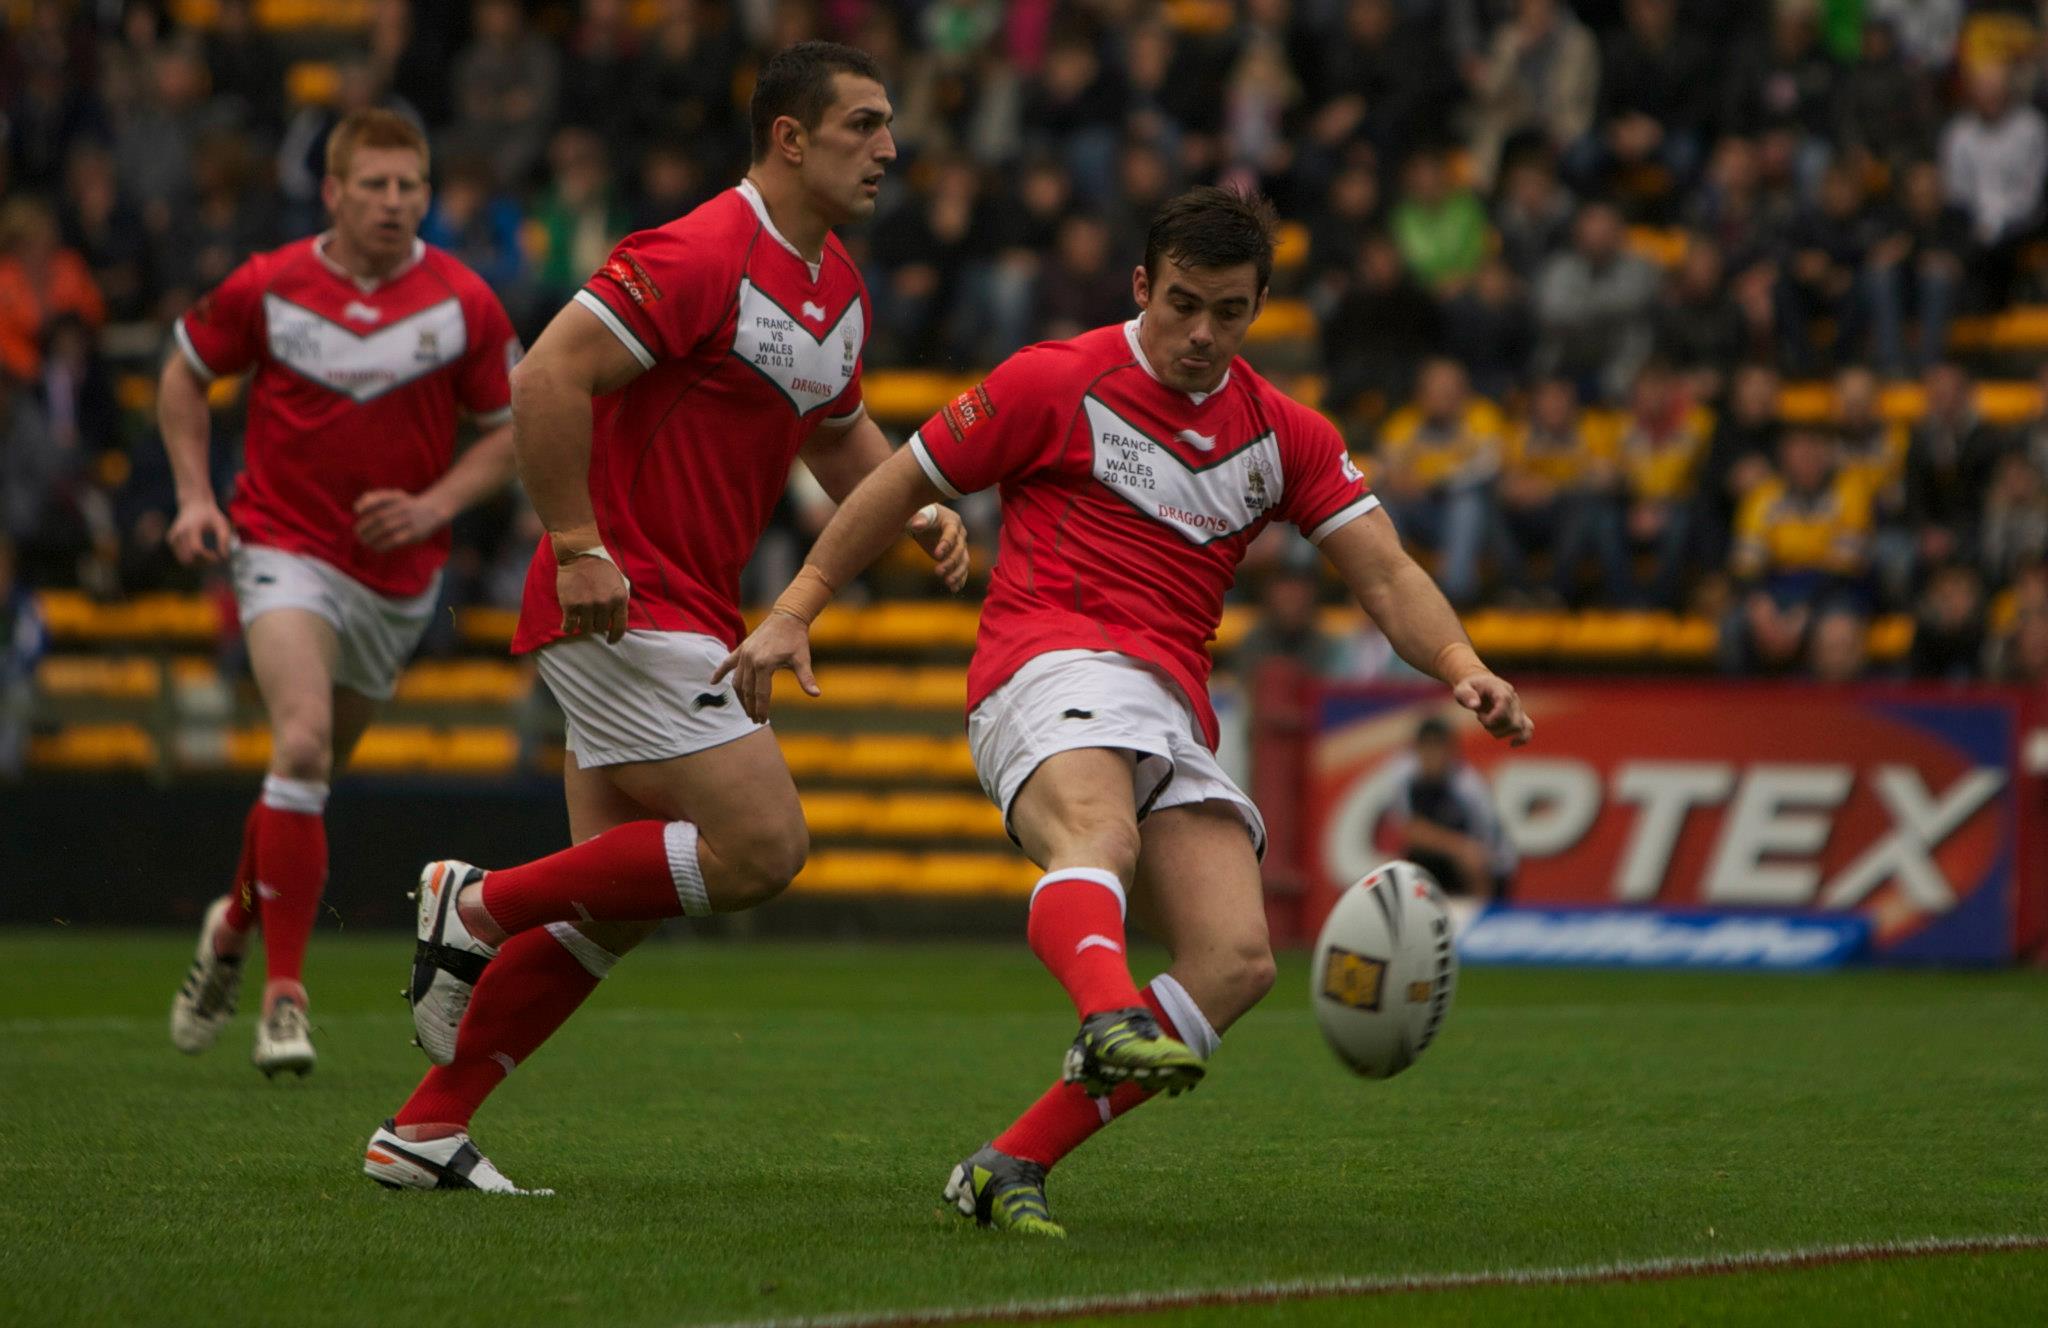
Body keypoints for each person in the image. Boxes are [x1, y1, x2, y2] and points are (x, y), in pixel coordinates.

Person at [720, 187, 1532, 1236]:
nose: (1201, 334)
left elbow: (1383, 573)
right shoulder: (1053, 379)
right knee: (1096, 834)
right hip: (1043, 663)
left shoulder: (1283, 433)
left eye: (1228, 313)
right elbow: (898, 480)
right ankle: (1106, 1011)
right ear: (1141, 285)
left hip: (1166, 704)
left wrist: (1460, 662)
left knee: (1235, 960)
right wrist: (794, 607)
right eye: (1182, 304)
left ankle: (1007, 1162)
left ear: (1257, 310)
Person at [366, 42, 968, 1196]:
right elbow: (548, 375)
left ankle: (424, 1130)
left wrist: (911, 511)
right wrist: (581, 544)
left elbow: (836, 429)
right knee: (761, 845)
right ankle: (476, 899)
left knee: (607, 911)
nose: (890, 147)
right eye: (863, 124)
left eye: (888, 125)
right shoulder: (698, 250)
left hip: (689, 599)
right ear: (789, 138)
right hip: (622, 594)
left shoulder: (835, 283)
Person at [162, 109, 521, 1078]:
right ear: (331, 191)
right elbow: (183, 376)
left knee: (306, 775)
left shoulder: (462, 302)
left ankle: (232, 921)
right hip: (282, 545)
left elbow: (509, 428)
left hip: (398, 581)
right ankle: (284, 995)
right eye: (375, 184)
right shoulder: (270, 284)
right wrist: (197, 497)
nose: (396, 200)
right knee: (305, 742)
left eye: (411, 184)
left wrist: (434, 501)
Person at [1384, 715, 1515, 906]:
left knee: (1472, 859)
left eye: (1438, 748)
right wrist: (1455, 847)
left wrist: (1464, 852)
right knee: (1392, 869)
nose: (1432, 756)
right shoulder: (1402, 777)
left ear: (1451, 751)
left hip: (1487, 862)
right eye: (1426, 747)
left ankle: (1480, 919)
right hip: (1441, 853)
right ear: (1417, 749)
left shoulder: (1468, 787)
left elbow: (1488, 846)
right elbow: (1411, 830)